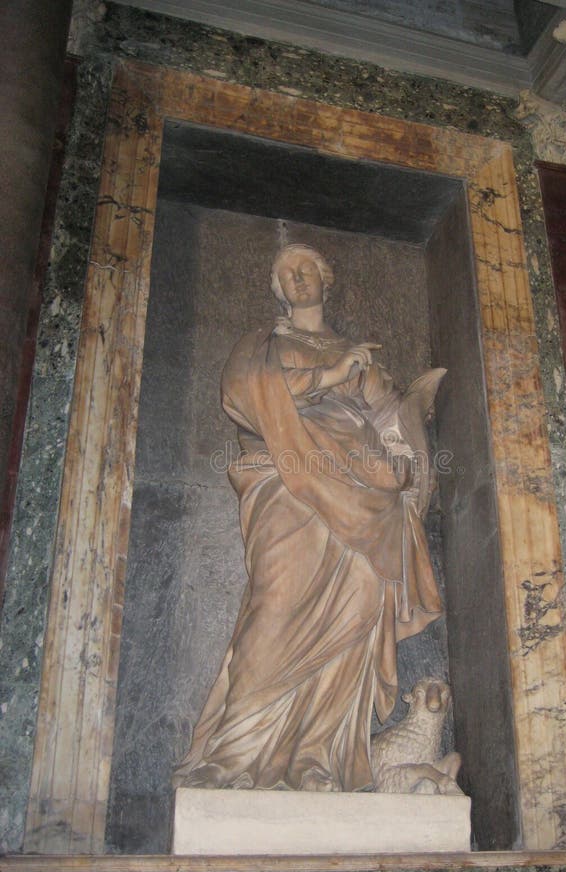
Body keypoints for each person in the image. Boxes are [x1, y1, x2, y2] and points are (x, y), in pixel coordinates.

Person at [173, 243, 445, 792]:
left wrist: (404, 445)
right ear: (278, 290)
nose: (297, 279)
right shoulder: (263, 345)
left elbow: (390, 417)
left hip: (364, 491)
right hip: (287, 477)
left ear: (325, 279)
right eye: (286, 274)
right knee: (275, 603)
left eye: (306, 270)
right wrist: (328, 375)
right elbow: (241, 397)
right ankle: (234, 752)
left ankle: (315, 757)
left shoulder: (359, 354)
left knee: (354, 613)